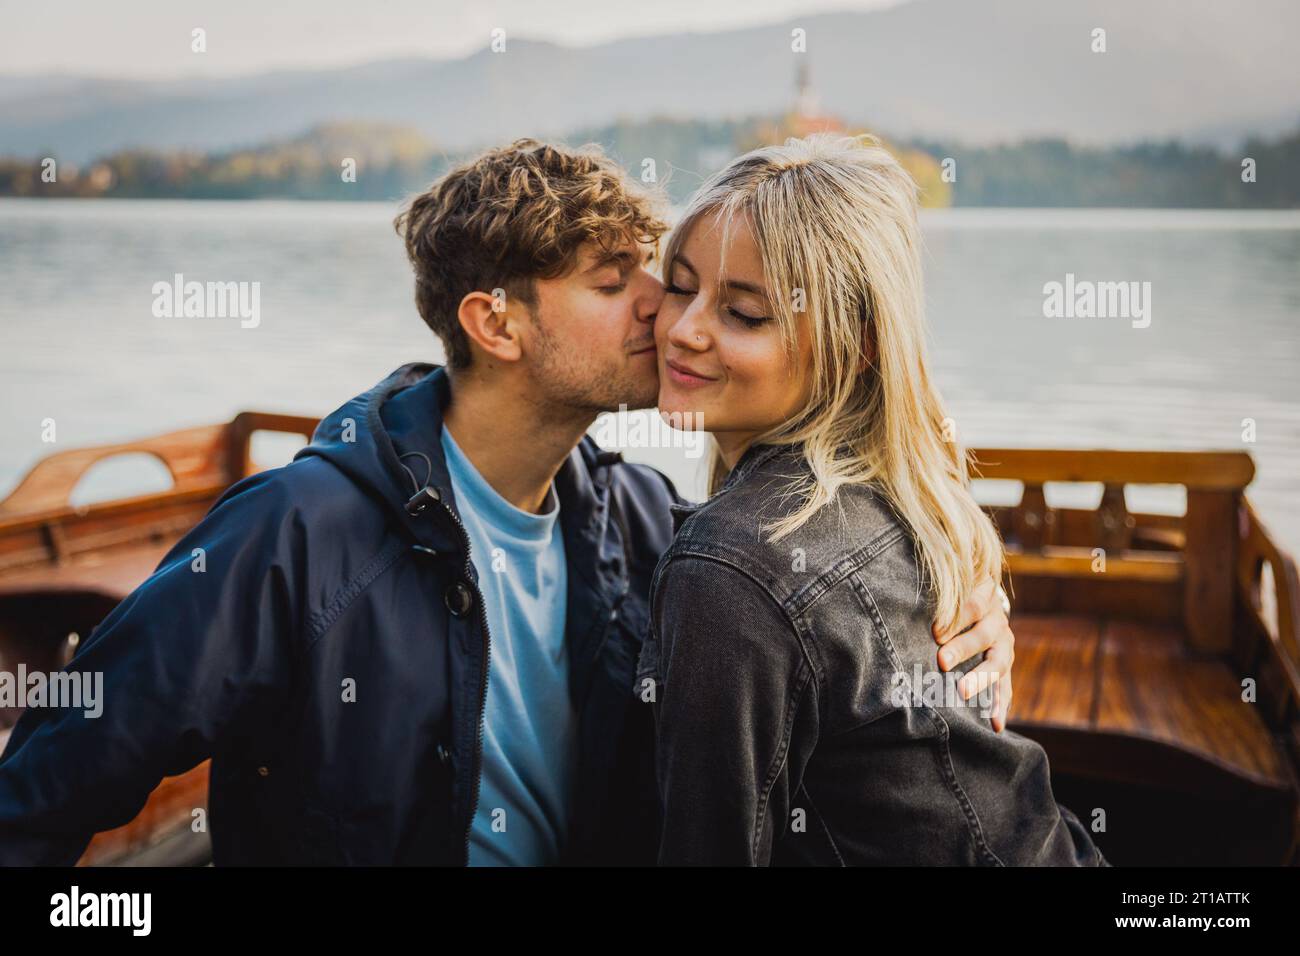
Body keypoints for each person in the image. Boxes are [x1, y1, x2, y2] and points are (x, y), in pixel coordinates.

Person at [0, 139, 1014, 866]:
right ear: (496, 322)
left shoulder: (642, 523)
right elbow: (50, 779)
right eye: (617, 281)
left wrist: (977, 581)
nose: (663, 310)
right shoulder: (294, 534)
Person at [642, 133, 1103, 866]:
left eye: (744, 314)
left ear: (854, 344)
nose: (683, 330)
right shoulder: (907, 490)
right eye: (680, 285)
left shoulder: (732, 569)